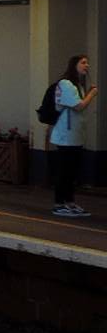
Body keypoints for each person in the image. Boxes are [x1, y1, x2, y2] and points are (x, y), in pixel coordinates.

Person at [49, 53, 98, 218]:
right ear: (74, 65)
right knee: (64, 171)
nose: (87, 66)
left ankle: (69, 202)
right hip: (66, 136)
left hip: (74, 136)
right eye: (83, 62)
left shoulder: (77, 85)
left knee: (71, 172)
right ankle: (59, 204)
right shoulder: (66, 84)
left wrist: (87, 93)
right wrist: (92, 94)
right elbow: (78, 106)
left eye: (87, 63)